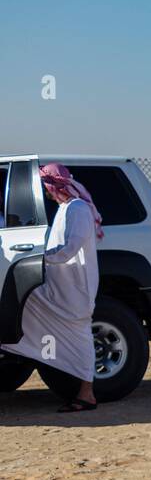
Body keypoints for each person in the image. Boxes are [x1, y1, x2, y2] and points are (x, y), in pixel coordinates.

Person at [0, 163, 102, 412]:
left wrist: (42, 260)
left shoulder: (76, 209)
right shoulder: (66, 207)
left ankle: (87, 394)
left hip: (75, 289)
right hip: (62, 286)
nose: (46, 192)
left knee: (78, 336)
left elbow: (71, 247)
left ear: (55, 185)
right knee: (26, 306)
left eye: (47, 186)